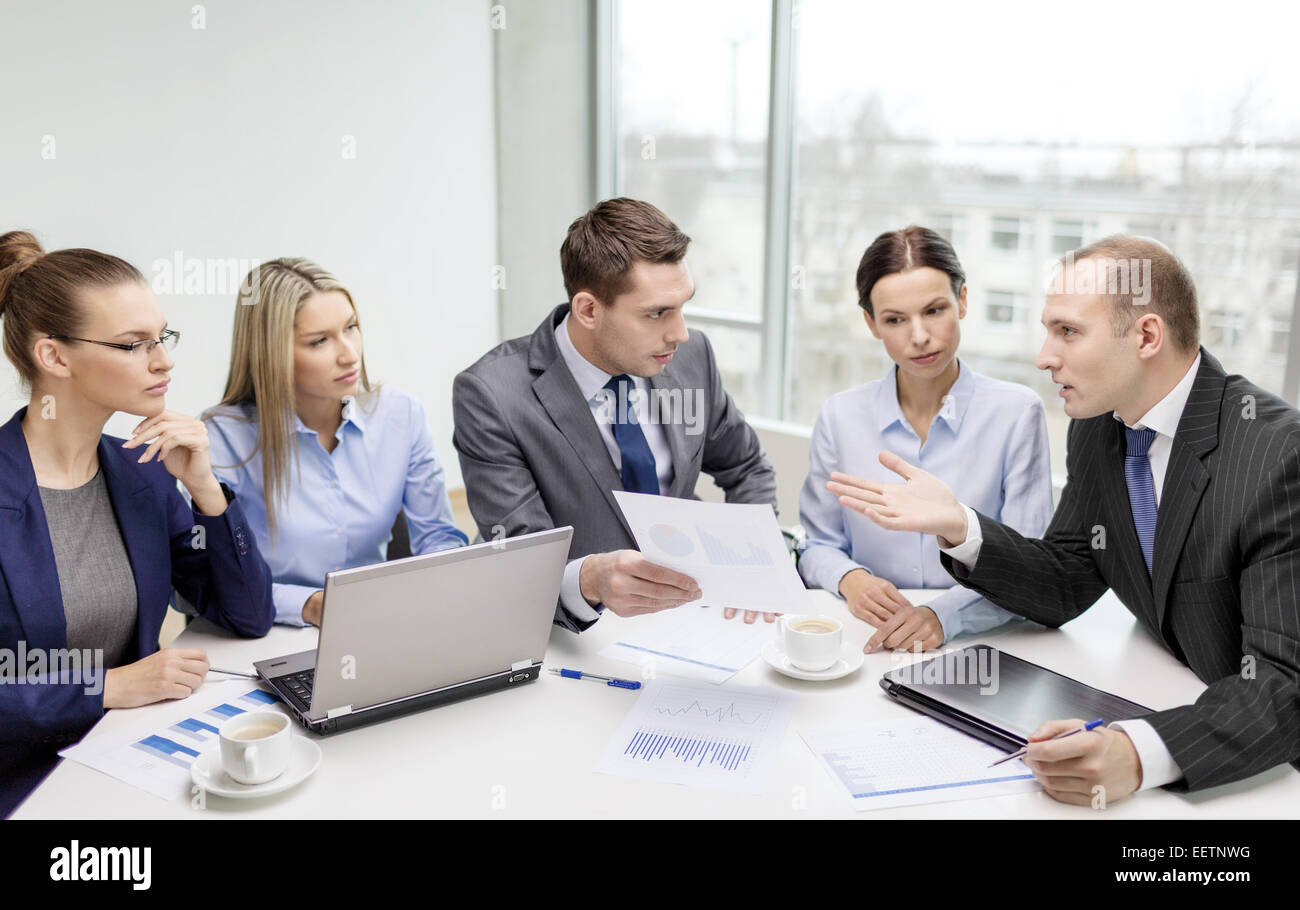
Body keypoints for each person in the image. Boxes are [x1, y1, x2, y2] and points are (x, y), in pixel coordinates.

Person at [829, 234, 1300, 803]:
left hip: (1265, 771)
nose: (1044, 356)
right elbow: (1070, 578)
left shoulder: (1277, 458)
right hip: (1167, 691)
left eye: (1068, 332)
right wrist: (960, 526)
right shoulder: (1100, 426)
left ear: (1147, 335)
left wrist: (1136, 752)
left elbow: (1284, 687)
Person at [0, 231, 274, 817]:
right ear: (54, 357)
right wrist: (109, 687)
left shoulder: (141, 472)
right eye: (133, 345)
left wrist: (205, 489)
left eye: (162, 337)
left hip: (132, 762)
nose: (163, 360)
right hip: (25, 783)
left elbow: (244, 614)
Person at [453, 198, 778, 632]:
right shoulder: (492, 395)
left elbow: (747, 467)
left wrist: (749, 570)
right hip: (570, 634)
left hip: (692, 622)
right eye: (656, 313)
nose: (680, 332)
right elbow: (521, 560)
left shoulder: (690, 355)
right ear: (588, 310)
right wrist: (590, 580)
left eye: (683, 305)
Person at [798, 226, 1053, 652]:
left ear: (963, 301)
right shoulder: (839, 416)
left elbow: (1030, 565)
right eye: (895, 319)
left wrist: (944, 615)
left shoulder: (1017, 413)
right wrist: (850, 579)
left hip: (986, 642)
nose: (918, 336)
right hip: (866, 635)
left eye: (934, 310)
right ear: (871, 324)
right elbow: (817, 544)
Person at [203, 258, 467, 627]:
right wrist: (309, 605)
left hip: (374, 626)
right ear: (272, 354)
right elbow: (204, 586)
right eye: (320, 341)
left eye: (351, 328)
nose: (349, 354)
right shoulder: (223, 438)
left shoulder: (401, 416)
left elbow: (439, 539)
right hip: (263, 634)